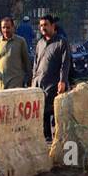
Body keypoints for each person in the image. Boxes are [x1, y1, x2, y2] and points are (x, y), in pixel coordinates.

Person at [31, 14, 73, 143]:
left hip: (55, 84)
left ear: (52, 26)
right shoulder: (40, 43)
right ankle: (47, 138)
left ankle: (59, 138)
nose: (43, 28)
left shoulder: (61, 42)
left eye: (45, 25)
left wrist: (62, 81)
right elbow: (36, 63)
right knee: (42, 112)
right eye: (41, 25)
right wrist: (33, 80)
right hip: (40, 83)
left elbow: (65, 63)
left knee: (56, 112)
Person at [0, 16, 30, 92]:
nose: (6, 30)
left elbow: (27, 61)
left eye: (8, 27)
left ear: (13, 27)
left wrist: (29, 78)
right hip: (0, 82)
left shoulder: (20, 41)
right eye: (3, 27)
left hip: (15, 82)